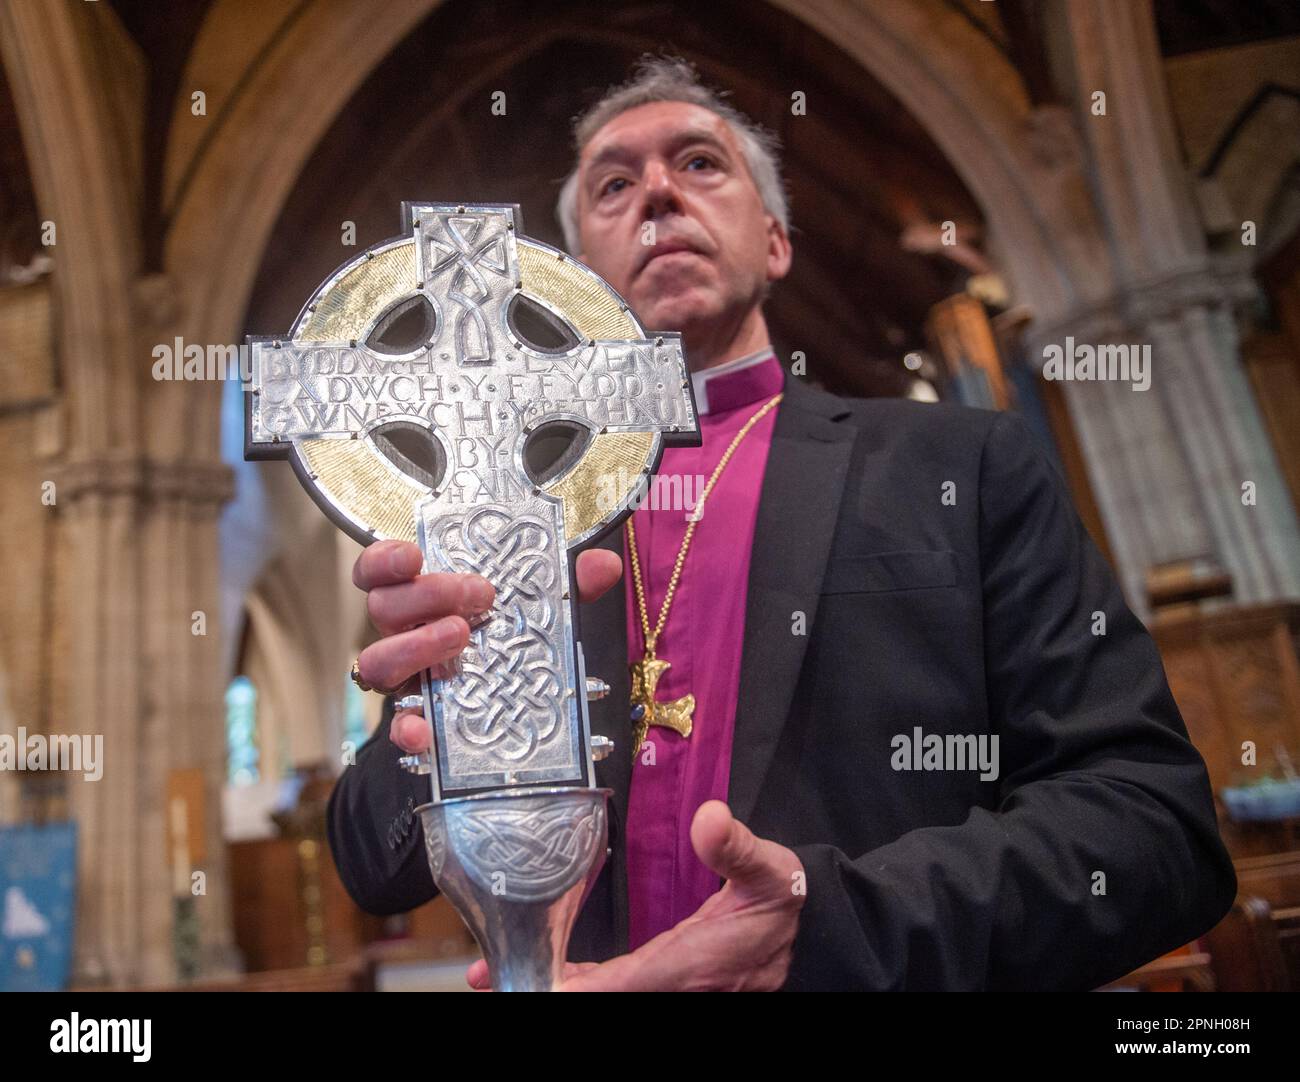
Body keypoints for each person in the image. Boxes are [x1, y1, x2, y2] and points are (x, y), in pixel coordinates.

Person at [326, 55, 1237, 991]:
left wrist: (834, 928)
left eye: (700, 164)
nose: (657, 194)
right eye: (612, 184)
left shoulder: (960, 467)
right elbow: (373, 865)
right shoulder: (526, 533)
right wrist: (435, 691)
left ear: (775, 240)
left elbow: (1155, 831)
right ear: (577, 282)